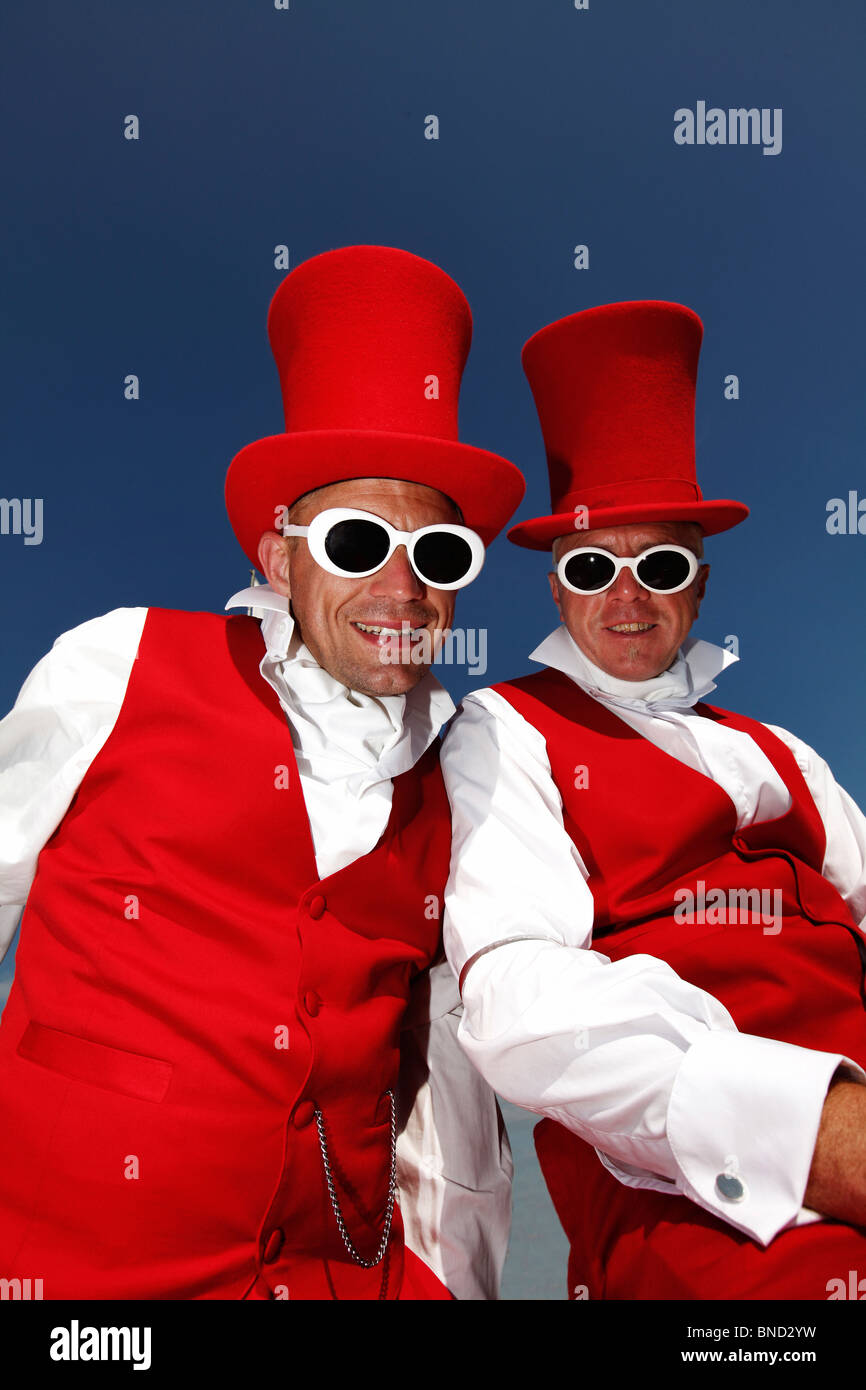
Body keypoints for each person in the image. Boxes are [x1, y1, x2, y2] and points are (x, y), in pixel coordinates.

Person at [0, 244, 523, 1301]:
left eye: (438, 554)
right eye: (357, 538)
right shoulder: (118, 662)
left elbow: (446, 1089)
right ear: (279, 555)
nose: (401, 587)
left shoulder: (471, 769)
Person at [441, 299, 866, 1299]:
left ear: (701, 583)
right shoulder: (500, 730)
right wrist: (810, 1128)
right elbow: (514, 1001)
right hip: (702, 1215)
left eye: (658, 565)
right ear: (554, 586)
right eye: (592, 565)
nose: (625, 596)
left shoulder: (787, 755)